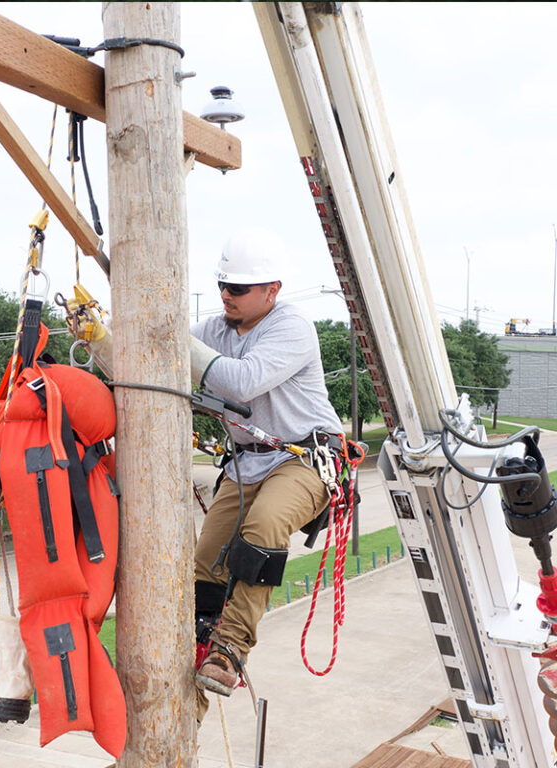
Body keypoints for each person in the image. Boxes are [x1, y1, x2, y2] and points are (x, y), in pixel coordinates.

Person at [190, 227, 343, 723]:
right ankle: (201, 637)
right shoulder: (214, 331)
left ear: (271, 290)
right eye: (222, 286)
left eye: (237, 288)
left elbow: (242, 380)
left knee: (261, 531)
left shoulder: (291, 327)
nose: (225, 296)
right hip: (246, 458)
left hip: (304, 456)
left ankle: (230, 648)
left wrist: (173, 342)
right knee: (208, 555)